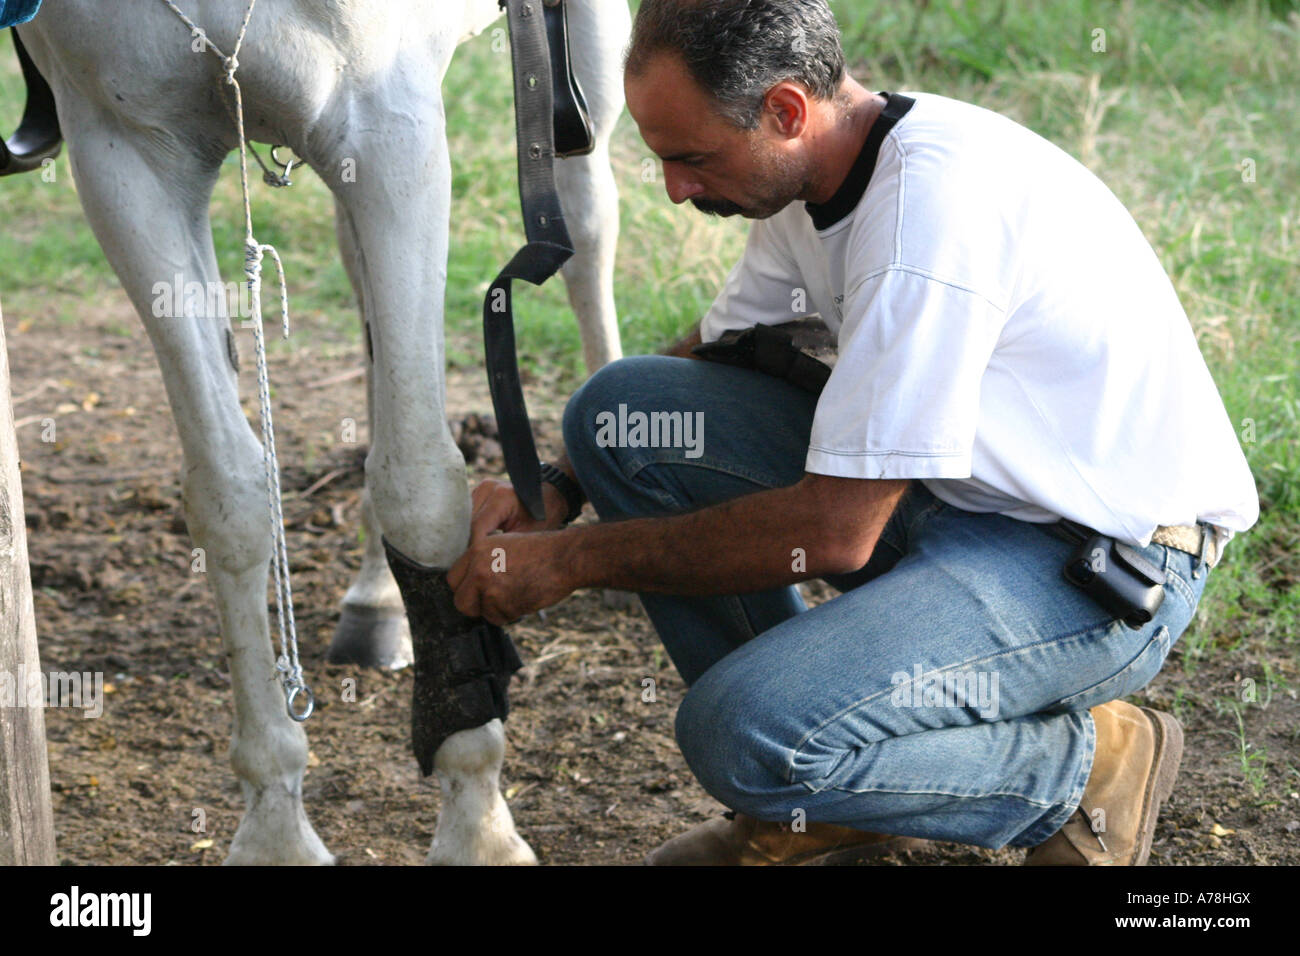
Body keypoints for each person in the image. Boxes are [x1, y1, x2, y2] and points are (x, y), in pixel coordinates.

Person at [448, 0, 1259, 865]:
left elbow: (832, 534)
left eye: (689, 159)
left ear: (786, 112)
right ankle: (831, 794)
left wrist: (569, 564)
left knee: (737, 736)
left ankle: (1087, 767)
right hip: (966, 503)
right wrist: (558, 492)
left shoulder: (929, 219)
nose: (676, 190)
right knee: (622, 417)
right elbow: (725, 349)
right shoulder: (818, 177)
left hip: (1097, 567)